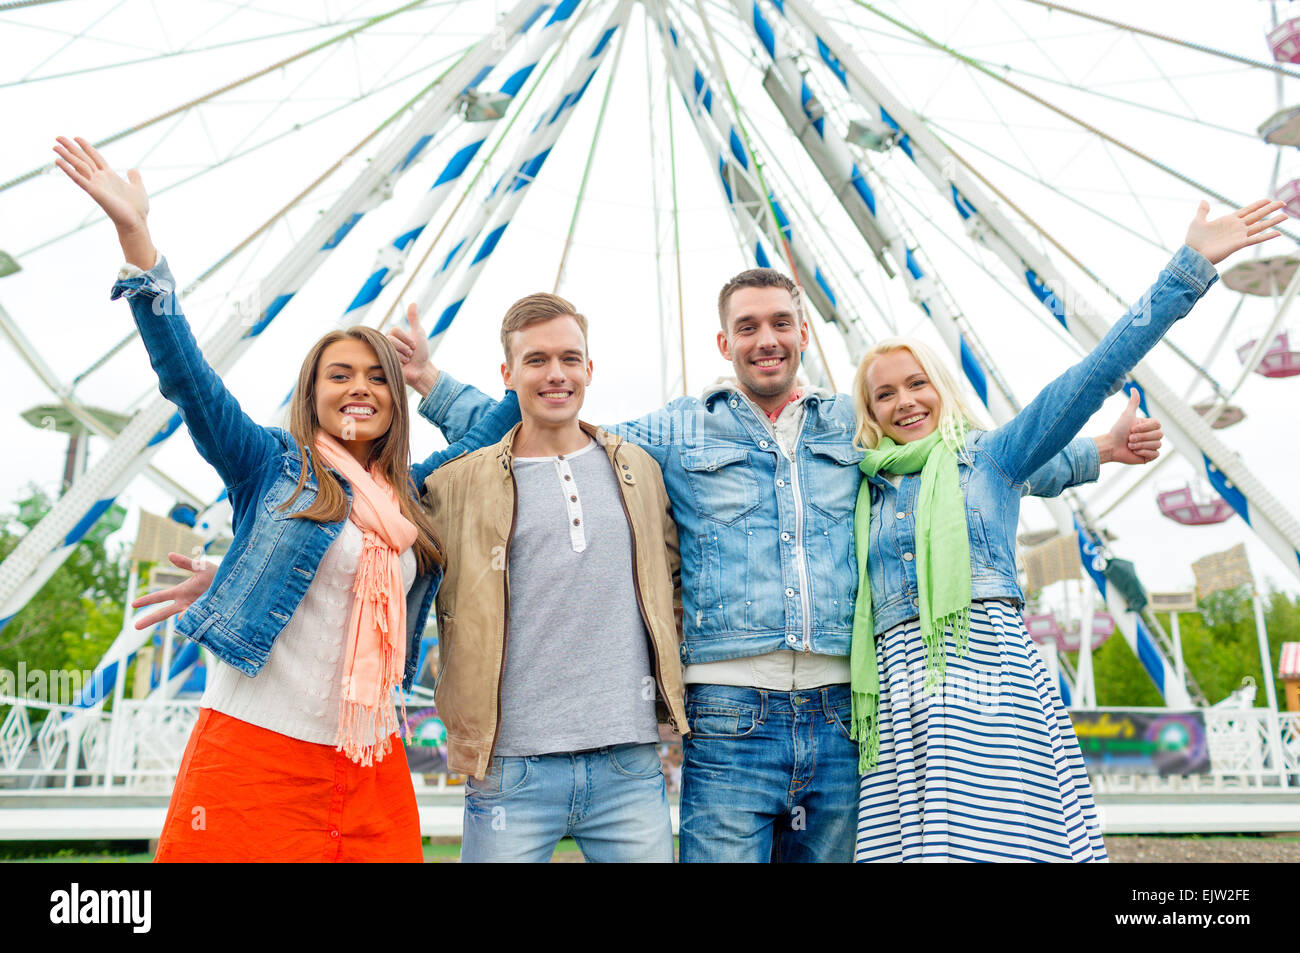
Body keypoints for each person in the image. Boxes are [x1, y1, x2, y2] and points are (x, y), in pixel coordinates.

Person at [389, 268, 1167, 863]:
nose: (767, 338)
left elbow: (966, 465)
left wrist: (1092, 453)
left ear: (803, 336)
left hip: (840, 711)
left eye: (782, 324)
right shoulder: (678, 433)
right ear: (725, 344)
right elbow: (553, 425)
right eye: (748, 326)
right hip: (731, 713)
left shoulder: (857, 425)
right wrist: (433, 386)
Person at [53, 135, 520, 862]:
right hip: (253, 751)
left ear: (394, 404)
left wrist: (430, 378)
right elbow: (190, 381)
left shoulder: (415, 499)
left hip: (369, 761)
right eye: (339, 375)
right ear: (313, 393)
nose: (358, 387)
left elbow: (504, 425)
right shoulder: (270, 467)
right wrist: (137, 240)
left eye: (375, 377)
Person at [848, 198, 1285, 863]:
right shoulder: (860, 483)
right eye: (885, 394)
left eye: (917, 384)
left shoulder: (990, 456)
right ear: (869, 410)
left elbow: (1087, 380)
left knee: (1006, 844)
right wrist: (1100, 452)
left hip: (985, 669)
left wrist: (1188, 268)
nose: (905, 402)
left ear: (940, 387)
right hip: (900, 688)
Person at [421, 292, 687, 862]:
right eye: (537, 360)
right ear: (508, 374)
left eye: (570, 358)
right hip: (509, 767)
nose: (556, 374)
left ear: (590, 368)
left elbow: (674, 585)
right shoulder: (456, 485)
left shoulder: (638, 468)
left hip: (629, 761)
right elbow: (374, 552)